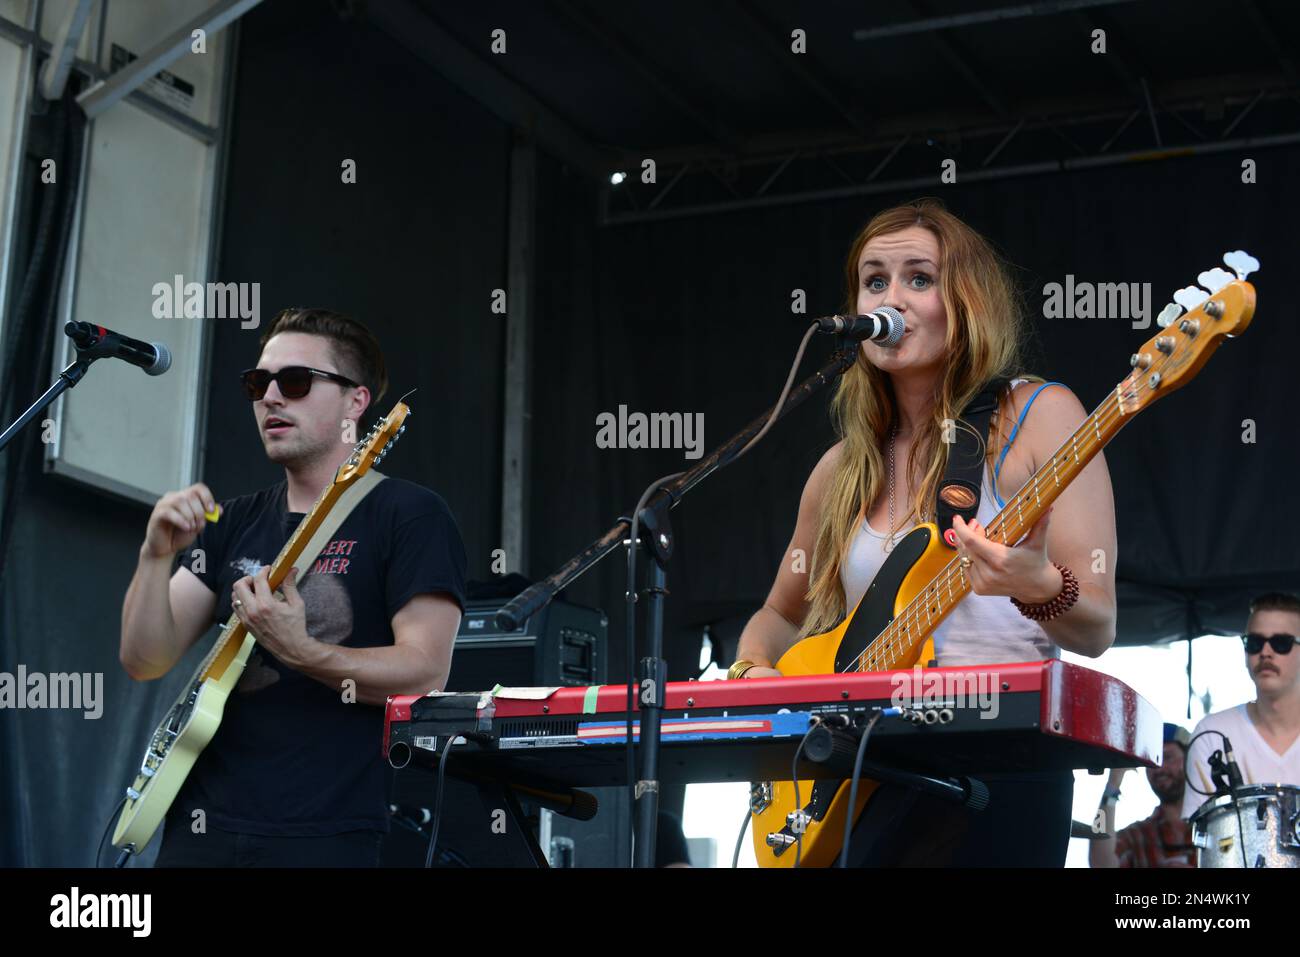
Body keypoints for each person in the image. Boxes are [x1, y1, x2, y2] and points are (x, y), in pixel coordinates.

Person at [729, 198, 1118, 866]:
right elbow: (780, 614)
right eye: (874, 281)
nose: (892, 297)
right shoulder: (840, 470)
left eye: (919, 278)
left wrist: (1039, 587)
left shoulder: (1040, 416)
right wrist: (752, 671)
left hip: (1000, 763)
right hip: (868, 765)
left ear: (967, 300)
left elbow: (1098, 627)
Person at [119, 307, 467, 867]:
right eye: (258, 383)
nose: (271, 398)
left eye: (297, 381)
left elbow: (425, 672)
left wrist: (301, 650)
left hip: (325, 833)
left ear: (356, 401)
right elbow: (145, 659)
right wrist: (154, 555)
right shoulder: (233, 519)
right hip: (200, 825)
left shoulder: (409, 514)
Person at [1181, 592, 1300, 821]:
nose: (1265, 652)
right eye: (1254, 643)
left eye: (1281, 643)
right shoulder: (1212, 734)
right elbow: (1203, 835)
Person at [1090, 723, 1195, 868]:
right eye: (1151, 762)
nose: (1159, 769)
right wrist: (1113, 783)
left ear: (1190, 760)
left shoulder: (1215, 821)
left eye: (1167, 757)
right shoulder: (1138, 834)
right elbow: (1099, 863)